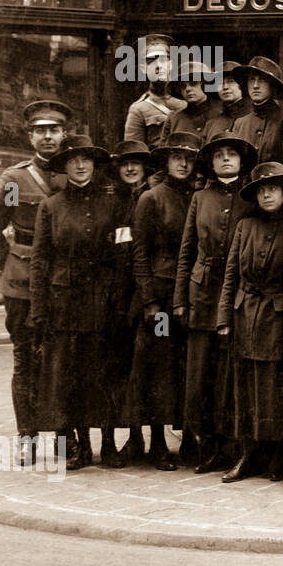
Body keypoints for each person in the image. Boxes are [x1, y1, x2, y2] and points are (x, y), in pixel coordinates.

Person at [0, 99, 71, 467]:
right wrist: (14, 264)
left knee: (65, 360)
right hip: (23, 287)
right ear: (30, 136)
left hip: (65, 281)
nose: (47, 136)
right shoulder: (15, 179)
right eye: (40, 130)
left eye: (54, 129)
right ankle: (28, 437)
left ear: (64, 134)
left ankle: (67, 438)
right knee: (25, 360)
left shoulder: (74, 172)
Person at [30, 135, 130, 470]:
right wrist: (39, 308)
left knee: (102, 374)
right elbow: (41, 259)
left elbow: (122, 255)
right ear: (64, 166)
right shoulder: (51, 206)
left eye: (86, 159)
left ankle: (108, 444)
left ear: (93, 163)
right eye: (73, 160)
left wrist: (118, 299)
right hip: (65, 303)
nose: (81, 164)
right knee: (67, 377)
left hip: (102, 301)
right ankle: (77, 447)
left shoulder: (113, 204)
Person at [217, 162, 283, 481]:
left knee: (275, 388)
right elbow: (230, 274)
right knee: (245, 386)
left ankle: (277, 456)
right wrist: (224, 317)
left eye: (273, 189)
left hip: (279, 318)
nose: (268, 195)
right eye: (262, 190)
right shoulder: (244, 226)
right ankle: (248, 454)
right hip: (245, 316)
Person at [174, 132, 258, 474]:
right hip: (202, 291)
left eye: (232, 155)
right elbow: (187, 250)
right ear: (210, 162)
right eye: (219, 155)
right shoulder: (200, 197)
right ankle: (204, 443)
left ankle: (232, 445)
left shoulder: (251, 197)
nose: (225, 159)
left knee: (230, 372)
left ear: (241, 161)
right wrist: (180, 297)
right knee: (200, 373)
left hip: (237, 291)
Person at [126, 131, 202, 470]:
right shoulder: (151, 199)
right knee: (158, 367)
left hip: (189, 295)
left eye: (188, 158)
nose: (183, 163)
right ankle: (157, 442)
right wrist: (149, 302)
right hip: (159, 295)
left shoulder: (199, 197)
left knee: (188, 366)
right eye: (176, 157)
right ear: (166, 161)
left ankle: (188, 439)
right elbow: (138, 253)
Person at [103, 139, 152, 463]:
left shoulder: (152, 199)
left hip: (147, 294)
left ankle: (160, 436)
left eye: (136, 163)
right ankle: (131, 436)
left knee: (150, 366)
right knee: (119, 369)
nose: (131, 169)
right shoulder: (114, 202)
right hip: (117, 295)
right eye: (125, 164)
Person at [231, 56, 283, 175]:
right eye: (251, 79)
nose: (255, 85)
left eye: (262, 80)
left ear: (272, 86)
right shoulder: (239, 123)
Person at [122, 34, 185, 149]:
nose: (158, 66)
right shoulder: (138, 109)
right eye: (151, 61)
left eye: (163, 60)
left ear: (170, 64)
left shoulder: (185, 102)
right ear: (143, 68)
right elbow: (134, 151)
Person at [159, 62, 218, 145]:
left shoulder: (220, 113)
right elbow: (163, 150)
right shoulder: (174, 119)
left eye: (193, 83)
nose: (188, 89)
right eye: (183, 86)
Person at [201, 61, 252, 144]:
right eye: (220, 83)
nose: (225, 87)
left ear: (242, 85)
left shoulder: (253, 118)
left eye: (231, 81)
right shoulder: (211, 124)